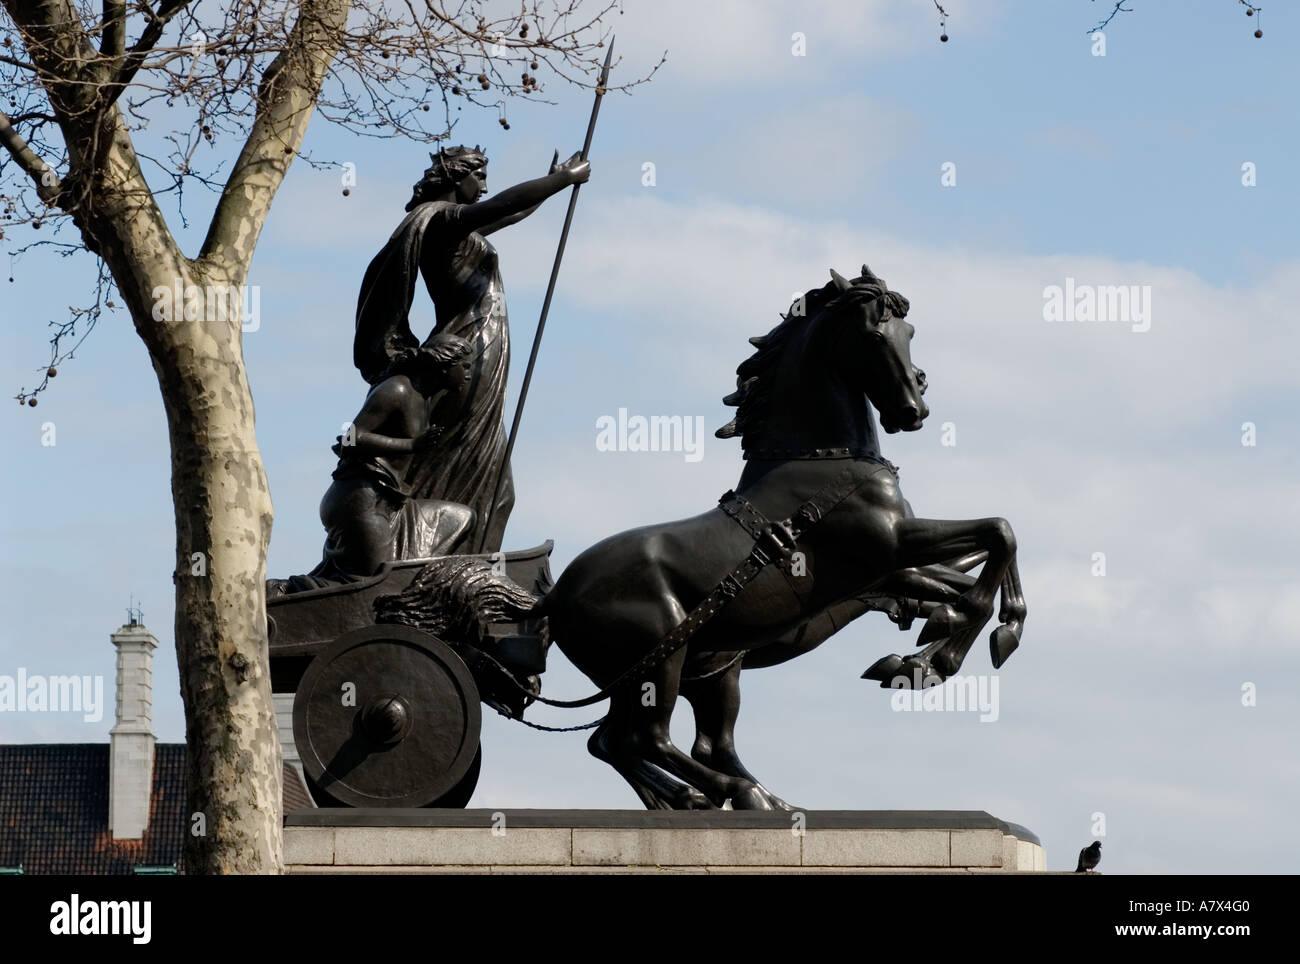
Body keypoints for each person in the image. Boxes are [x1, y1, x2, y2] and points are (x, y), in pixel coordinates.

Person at [352, 144, 591, 553]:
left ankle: (471, 564)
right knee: (480, 471)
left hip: (482, 344)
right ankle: (449, 562)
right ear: (454, 177)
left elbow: (508, 211)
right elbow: (501, 203)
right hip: (471, 348)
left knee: (496, 486)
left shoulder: (452, 227)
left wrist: (551, 185)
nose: (483, 184)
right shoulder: (442, 220)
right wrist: (561, 181)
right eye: (477, 175)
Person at [268, 334, 477, 595]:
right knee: (368, 585)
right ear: (445, 363)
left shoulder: (424, 399)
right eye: (465, 365)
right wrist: (412, 445)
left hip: (390, 503)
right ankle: (282, 593)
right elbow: (350, 439)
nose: (469, 373)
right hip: (360, 500)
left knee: (462, 518)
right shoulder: (398, 389)